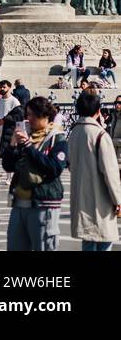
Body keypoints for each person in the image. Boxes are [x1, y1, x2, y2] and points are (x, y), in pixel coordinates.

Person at [1, 96, 69, 251]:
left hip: (43, 202)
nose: (29, 118)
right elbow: (8, 166)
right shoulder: (26, 135)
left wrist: (28, 146)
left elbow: (54, 168)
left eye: (33, 115)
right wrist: (12, 145)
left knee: (43, 246)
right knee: (15, 246)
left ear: (45, 116)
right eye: (28, 114)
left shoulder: (56, 138)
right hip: (19, 202)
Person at [68, 92, 121, 251]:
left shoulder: (74, 133)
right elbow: (110, 172)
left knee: (88, 241)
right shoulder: (99, 134)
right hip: (100, 199)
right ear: (98, 110)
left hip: (81, 195)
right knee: (103, 241)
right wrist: (118, 199)